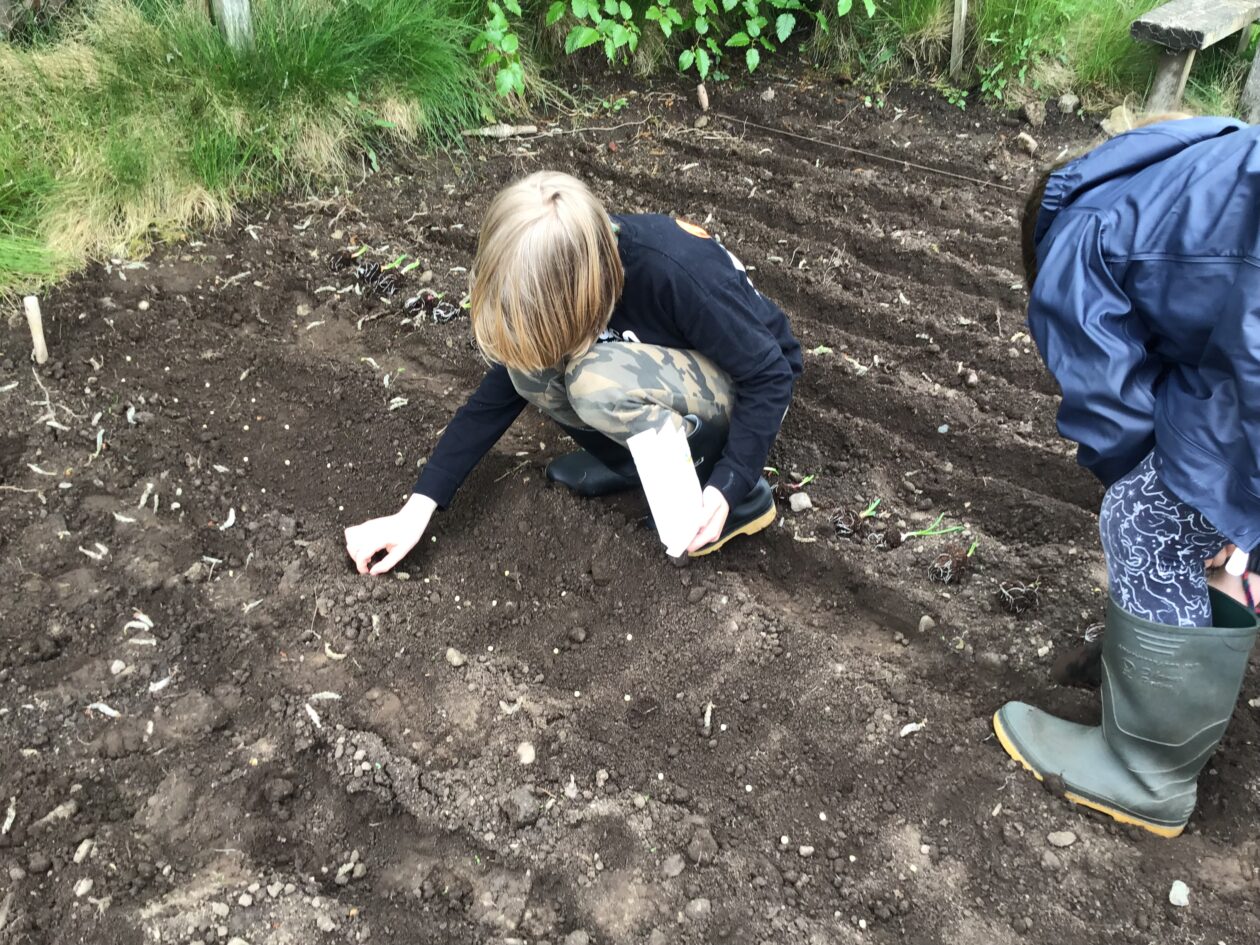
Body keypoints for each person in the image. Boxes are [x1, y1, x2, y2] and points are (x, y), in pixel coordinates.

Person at [992, 113, 1260, 838]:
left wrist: (1169, 502)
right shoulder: (1176, 165)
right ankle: (1173, 654)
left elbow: (1114, 411)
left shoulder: (1077, 239)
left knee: (1146, 515)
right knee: (1212, 510)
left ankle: (1146, 772)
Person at [345, 171, 802, 575]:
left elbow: (771, 373)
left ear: (575, 298)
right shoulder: (566, 267)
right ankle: (637, 466)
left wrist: (730, 483)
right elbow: (497, 395)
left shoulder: (674, 272)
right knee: (531, 373)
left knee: (594, 381)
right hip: (662, 374)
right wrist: (417, 508)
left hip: (745, 383)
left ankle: (717, 493)